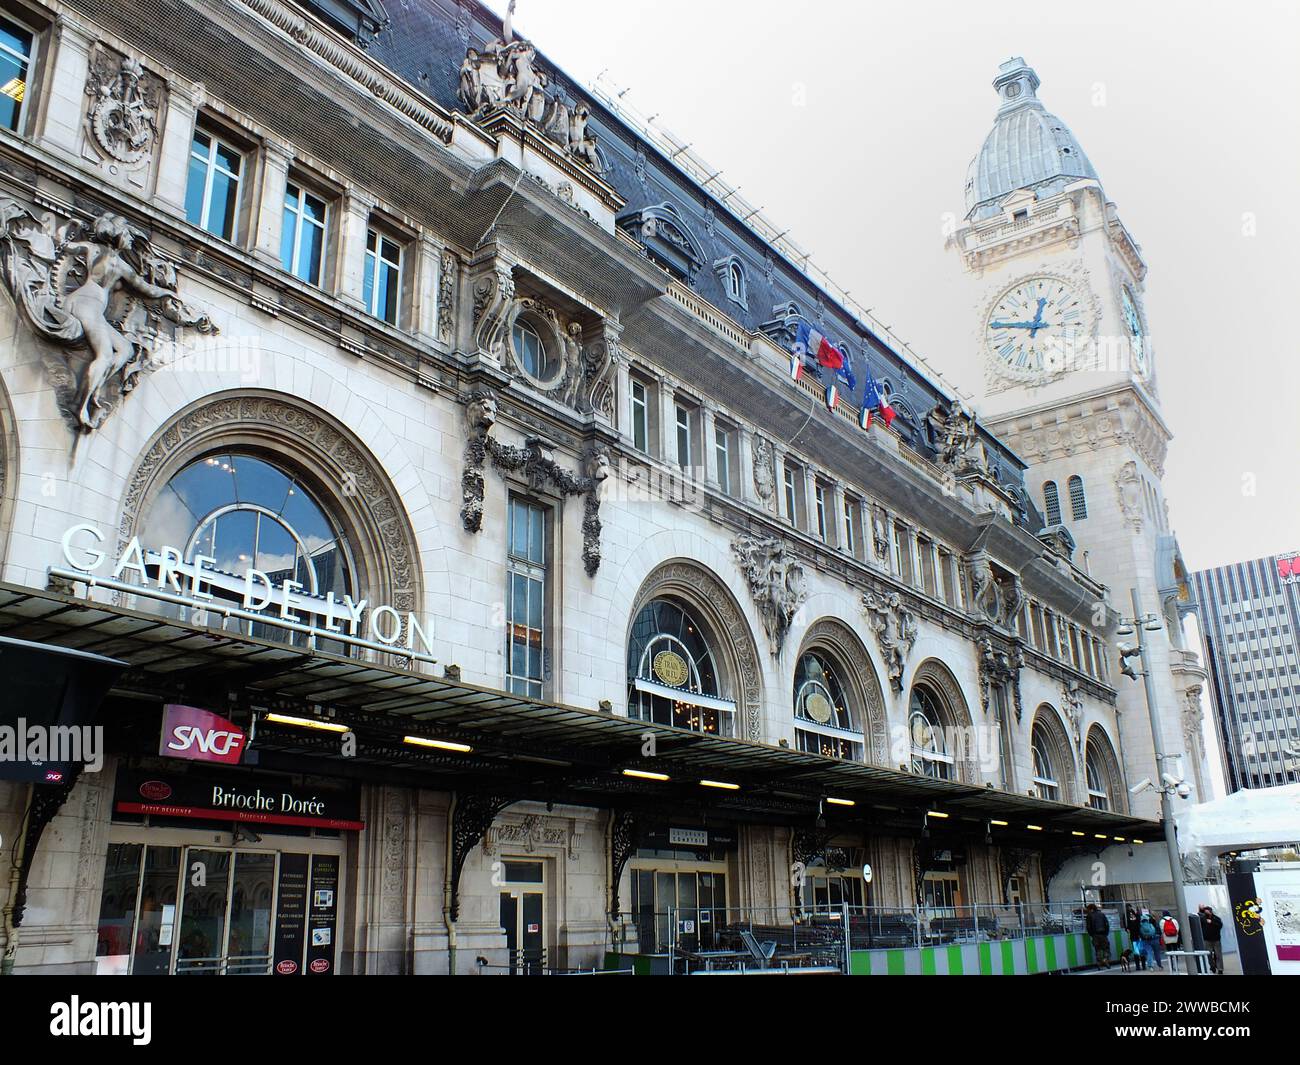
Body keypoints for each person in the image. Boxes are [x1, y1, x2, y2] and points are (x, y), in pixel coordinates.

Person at [1199, 905, 1224, 974]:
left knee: (1218, 955)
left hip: (1216, 939)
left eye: (1207, 911)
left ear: (1211, 911)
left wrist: (1212, 922)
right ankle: (1212, 966)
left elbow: (1220, 926)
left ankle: (1220, 969)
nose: (1206, 913)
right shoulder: (1202, 919)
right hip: (1207, 940)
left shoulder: (1216, 918)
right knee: (1209, 955)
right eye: (1205, 912)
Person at [1085, 903, 1111, 967]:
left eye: (1088, 909)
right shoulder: (1102, 914)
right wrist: (1106, 933)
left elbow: (1088, 927)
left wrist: (1091, 934)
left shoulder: (1089, 916)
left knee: (1098, 949)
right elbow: (1107, 924)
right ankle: (1105, 960)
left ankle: (1099, 963)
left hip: (1095, 935)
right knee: (1106, 948)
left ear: (1091, 909)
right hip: (1103, 934)